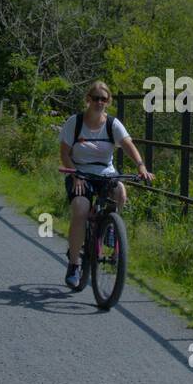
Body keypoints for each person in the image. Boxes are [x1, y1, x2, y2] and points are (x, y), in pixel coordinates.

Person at [59, 81, 151, 288]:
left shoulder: (112, 124)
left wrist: (141, 166)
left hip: (105, 174)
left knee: (121, 192)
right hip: (79, 173)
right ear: (88, 100)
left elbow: (128, 145)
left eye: (104, 99)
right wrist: (75, 174)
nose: (99, 102)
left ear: (108, 102)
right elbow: (64, 153)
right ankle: (74, 264)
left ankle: (110, 226)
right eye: (96, 98)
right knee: (81, 209)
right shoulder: (75, 122)